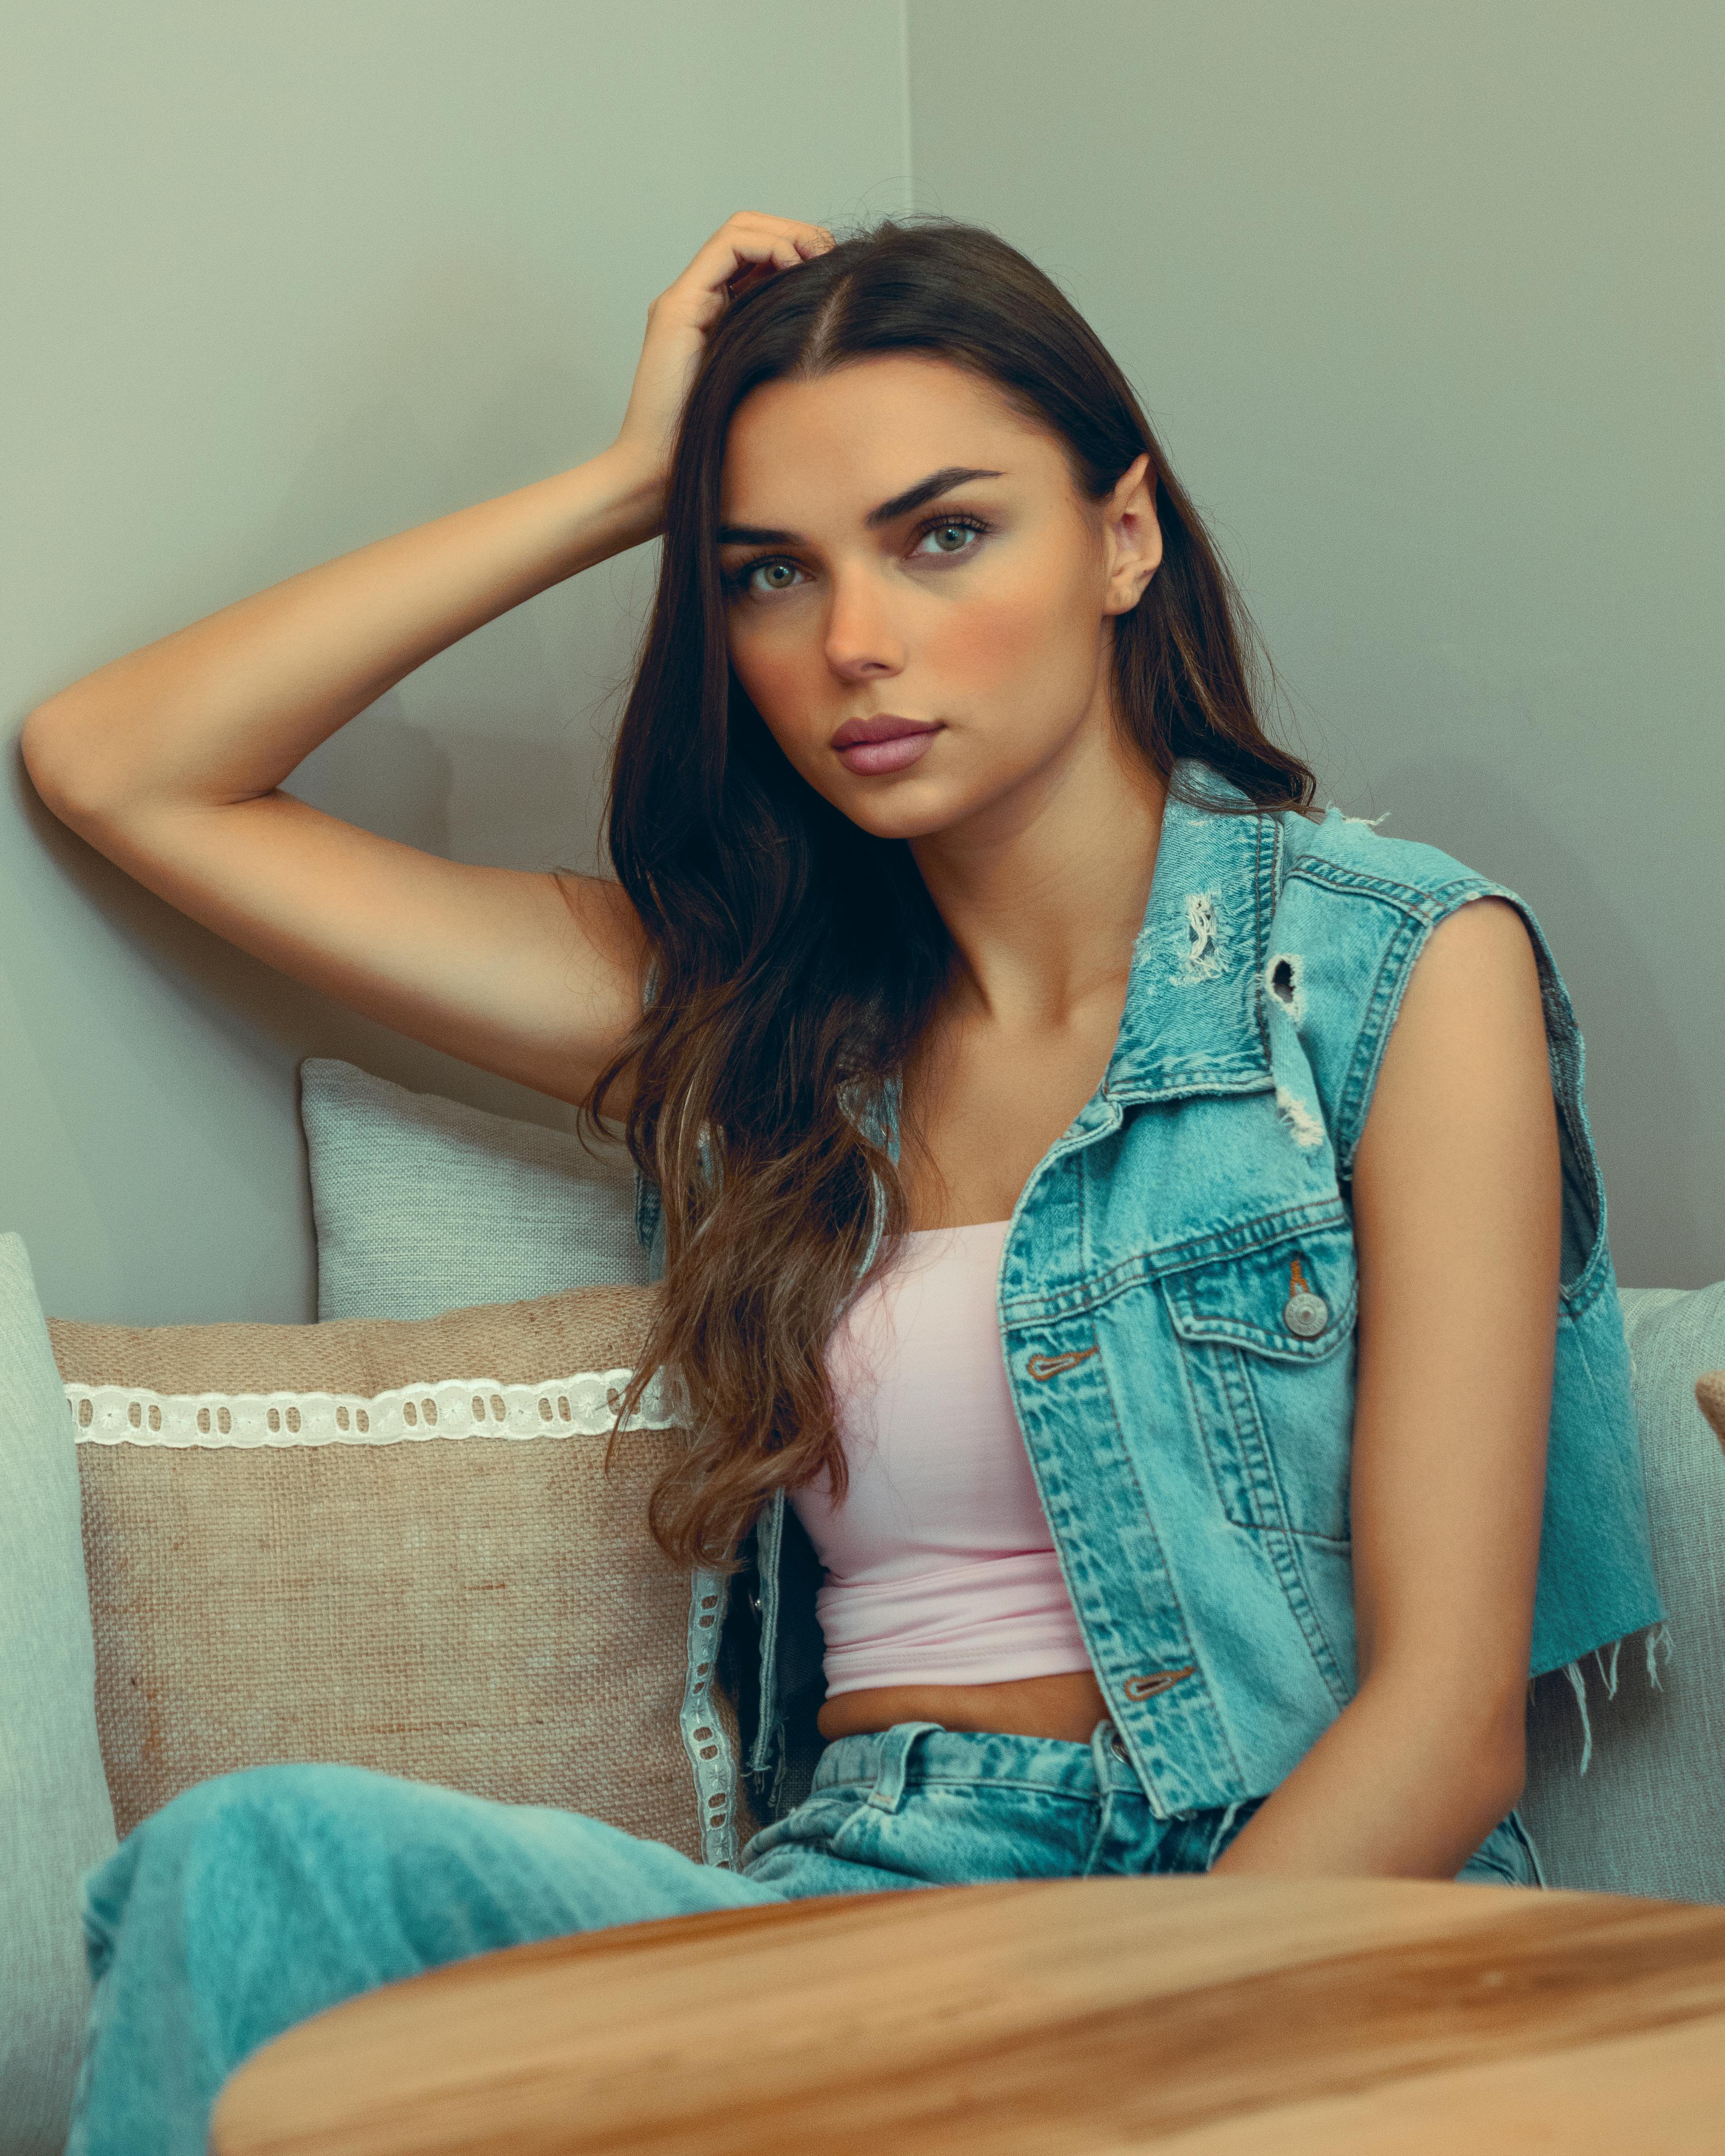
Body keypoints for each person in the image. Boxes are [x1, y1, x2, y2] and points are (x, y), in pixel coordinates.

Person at [22, 212, 1664, 2155]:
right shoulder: (738, 1023)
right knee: (259, 1863)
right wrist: (628, 484)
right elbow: (119, 765)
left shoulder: (1393, 966)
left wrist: (1103, 2067)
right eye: (768, 573)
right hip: (863, 1910)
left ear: (1121, 535)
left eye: (940, 533)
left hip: (1296, 1914)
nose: (852, 643)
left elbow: (1443, 1718)